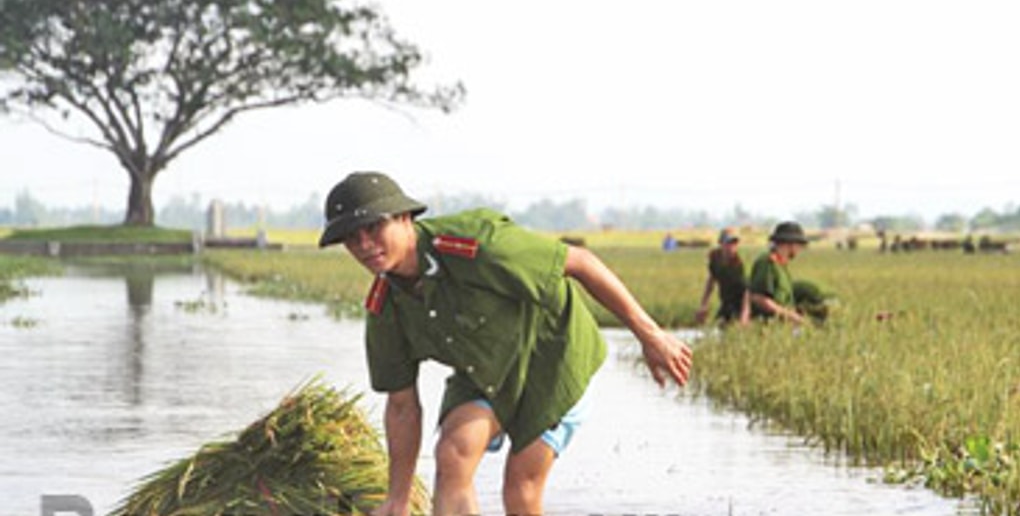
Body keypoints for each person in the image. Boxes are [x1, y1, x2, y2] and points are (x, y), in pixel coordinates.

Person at [317, 172, 692, 516]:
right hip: (486, 371)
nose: (364, 245)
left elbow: (580, 262)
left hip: (552, 360)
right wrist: (396, 500)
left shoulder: (475, 243)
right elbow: (401, 407)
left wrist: (650, 334)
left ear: (403, 218)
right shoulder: (385, 306)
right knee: (452, 456)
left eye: (373, 227)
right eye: (351, 238)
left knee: (520, 488)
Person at [743, 221, 808, 324]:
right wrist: (790, 315)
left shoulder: (781, 265)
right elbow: (759, 298)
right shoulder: (767, 263)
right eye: (799, 245)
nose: (800, 249)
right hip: (766, 325)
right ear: (790, 244)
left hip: (782, 325)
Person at [695, 228, 748, 325]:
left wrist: (744, 315)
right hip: (726, 301)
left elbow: (747, 291)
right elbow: (711, 281)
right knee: (720, 325)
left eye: (734, 243)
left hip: (740, 303)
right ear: (721, 244)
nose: (731, 247)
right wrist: (704, 304)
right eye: (728, 243)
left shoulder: (738, 265)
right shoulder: (715, 258)